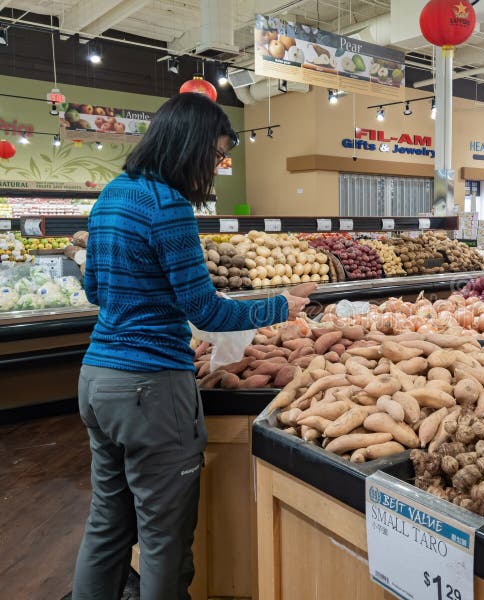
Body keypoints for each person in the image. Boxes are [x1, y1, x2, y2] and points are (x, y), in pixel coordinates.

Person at [71, 93, 313, 600]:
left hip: (97, 380)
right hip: (151, 389)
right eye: (216, 154)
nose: (215, 167)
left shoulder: (111, 195)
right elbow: (206, 313)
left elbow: (95, 291)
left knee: (107, 524)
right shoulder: (168, 205)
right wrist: (280, 305)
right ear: (189, 147)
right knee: (163, 539)